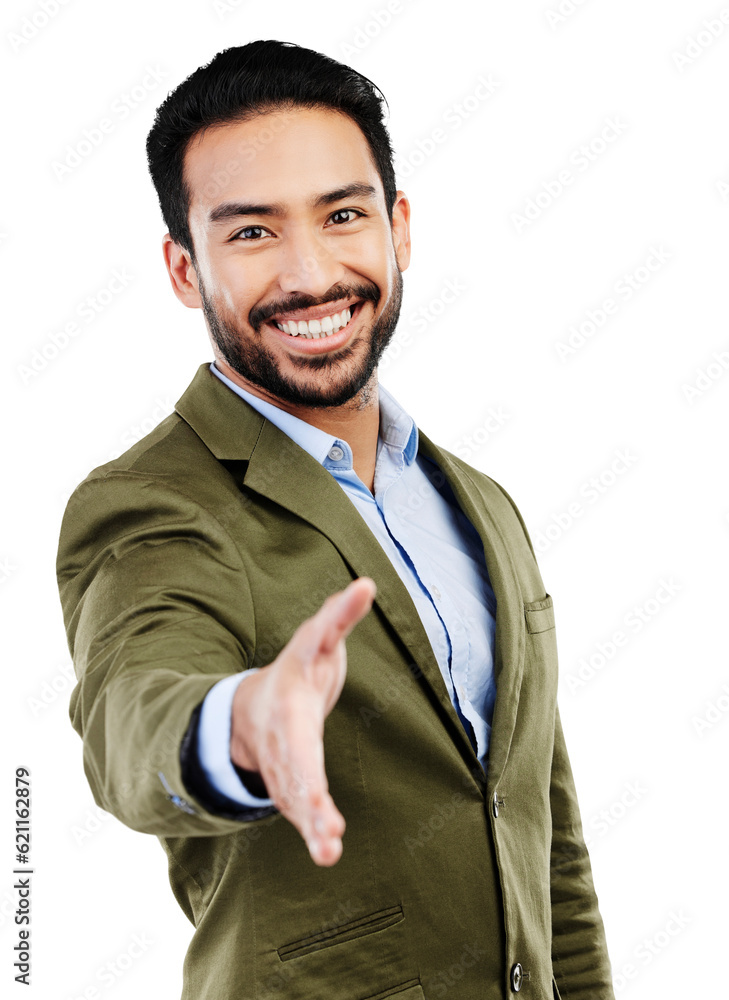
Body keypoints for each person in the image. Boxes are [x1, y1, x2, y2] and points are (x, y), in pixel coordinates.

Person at [56, 39, 616, 1000]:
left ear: (398, 227)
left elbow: (543, 831)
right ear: (184, 268)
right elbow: (130, 706)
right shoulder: (153, 502)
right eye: (251, 233)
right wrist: (237, 725)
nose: (312, 274)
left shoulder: (480, 502)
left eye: (343, 215)